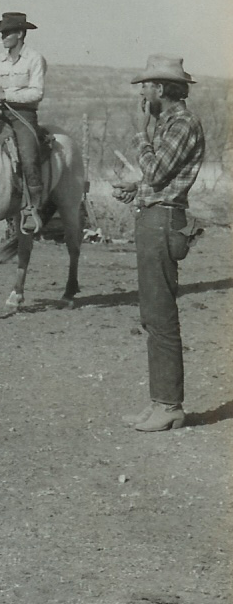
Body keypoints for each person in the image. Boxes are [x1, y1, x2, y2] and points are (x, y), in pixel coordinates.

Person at [113, 54, 206, 433]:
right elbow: (159, 177)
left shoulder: (182, 124)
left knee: (161, 316)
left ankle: (169, 405)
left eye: (147, 86)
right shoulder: (170, 124)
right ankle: (160, 401)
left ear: (163, 89)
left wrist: (140, 131)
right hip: (156, 217)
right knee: (153, 314)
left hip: (163, 223)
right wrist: (138, 189)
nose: (142, 93)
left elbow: (155, 169)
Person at [0, 12, 50, 234]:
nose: (3, 37)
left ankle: (33, 206)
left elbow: (37, 92)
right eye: (2, 33)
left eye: (7, 33)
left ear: (20, 34)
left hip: (23, 115)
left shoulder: (34, 59)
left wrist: (6, 96)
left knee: (28, 155)